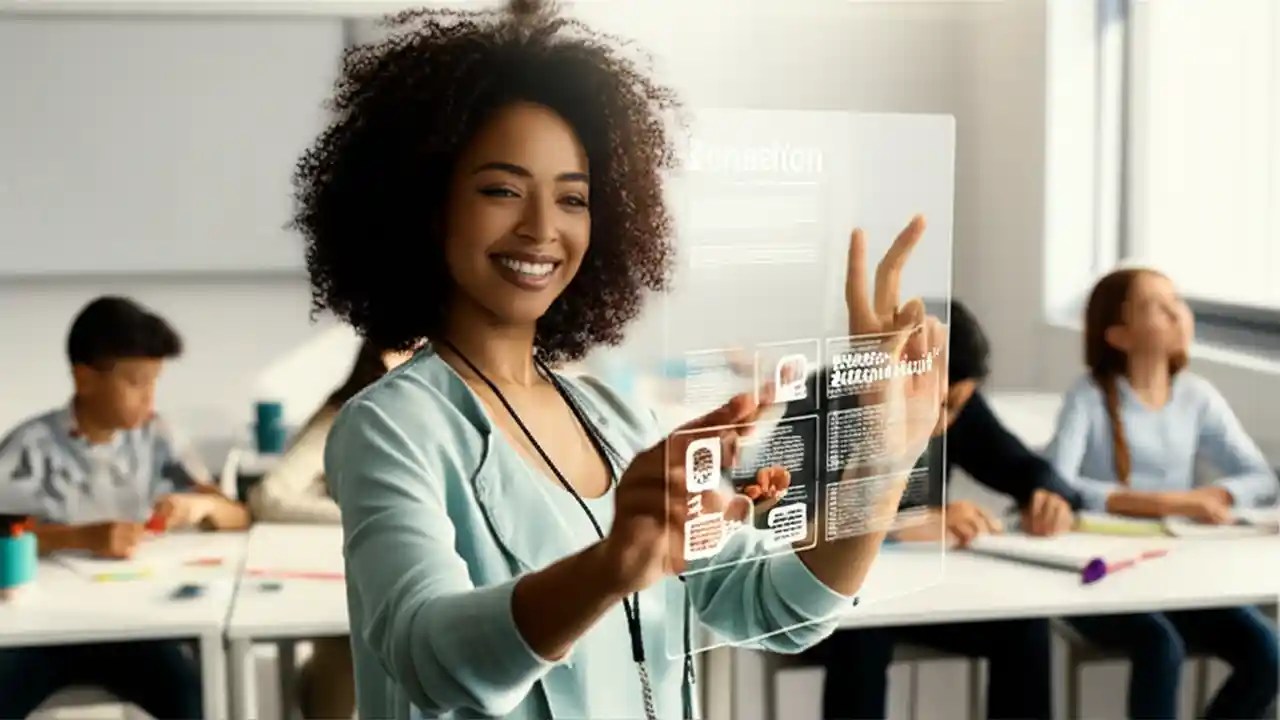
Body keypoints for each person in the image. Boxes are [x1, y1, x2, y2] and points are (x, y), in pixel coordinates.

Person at [290, 1, 949, 718]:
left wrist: (883, 459)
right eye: (502, 190)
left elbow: (777, 607)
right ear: (426, 203)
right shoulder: (390, 426)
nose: (543, 229)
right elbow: (431, 659)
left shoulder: (612, 417)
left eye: (572, 199)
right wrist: (611, 567)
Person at [812, 299, 1082, 720]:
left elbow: (1024, 468)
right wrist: (903, 523)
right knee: (863, 629)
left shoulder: (956, 408)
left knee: (1024, 625)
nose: (943, 422)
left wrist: (1047, 495)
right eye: (942, 404)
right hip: (831, 602)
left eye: (957, 405)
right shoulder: (829, 397)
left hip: (916, 596)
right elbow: (775, 517)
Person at [0, 295, 251, 718]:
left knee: (195, 697)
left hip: (138, 625)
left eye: (155, 382)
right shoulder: (31, 447)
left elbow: (239, 515)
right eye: (135, 383)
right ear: (85, 379)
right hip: (42, 631)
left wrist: (199, 507)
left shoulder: (155, 437)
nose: (148, 398)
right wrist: (80, 537)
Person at [1047, 267, 1279, 720]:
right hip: (1102, 580)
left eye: (1177, 300)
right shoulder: (1089, 398)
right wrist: (1170, 503)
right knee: (1160, 644)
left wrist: (1217, 495)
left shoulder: (1197, 397)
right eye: (1157, 305)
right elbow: (1058, 483)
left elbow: (1261, 478)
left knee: (1268, 653)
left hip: (1176, 578)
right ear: (1118, 334)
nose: (1178, 313)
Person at [247, 339, 411, 719]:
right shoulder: (349, 412)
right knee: (347, 654)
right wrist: (367, 512)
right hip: (351, 592)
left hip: (409, 585)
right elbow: (269, 496)